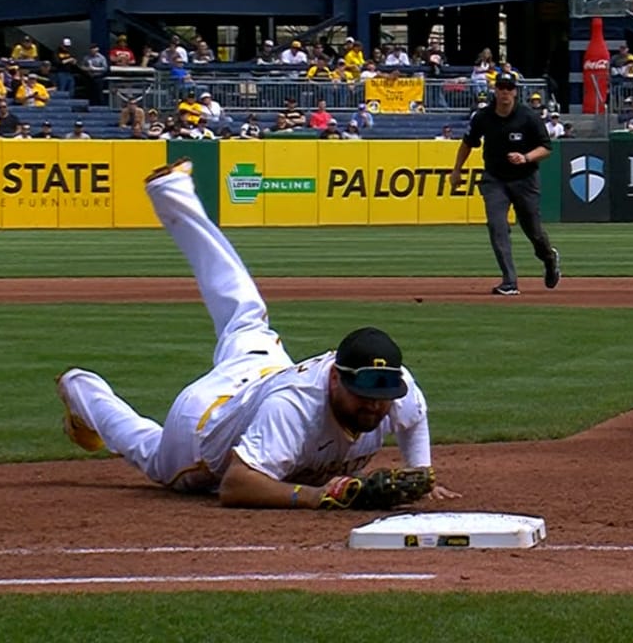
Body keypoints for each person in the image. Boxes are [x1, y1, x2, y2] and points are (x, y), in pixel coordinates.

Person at [55, 159, 461, 507]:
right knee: (153, 455)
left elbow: (414, 418)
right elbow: (234, 484)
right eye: (365, 396)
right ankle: (81, 389)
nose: (375, 406)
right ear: (335, 378)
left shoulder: (395, 386)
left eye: (382, 398)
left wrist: (420, 475)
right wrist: (320, 498)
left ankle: (172, 191)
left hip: (262, 368)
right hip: (202, 423)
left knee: (246, 312)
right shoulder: (294, 410)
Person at [451, 71, 562, 296]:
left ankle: (549, 258)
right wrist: (456, 171)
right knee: (497, 225)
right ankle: (509, 281)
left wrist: (526, 157)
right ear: (495, 90)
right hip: (495, 179)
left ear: (515, 91)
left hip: (525, 179)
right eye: (501, 88)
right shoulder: (483, 116)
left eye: (509, 88)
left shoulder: (528, 117)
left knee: (534, 231)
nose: (504, 92)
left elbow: (546, 148)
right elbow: (467, 143)